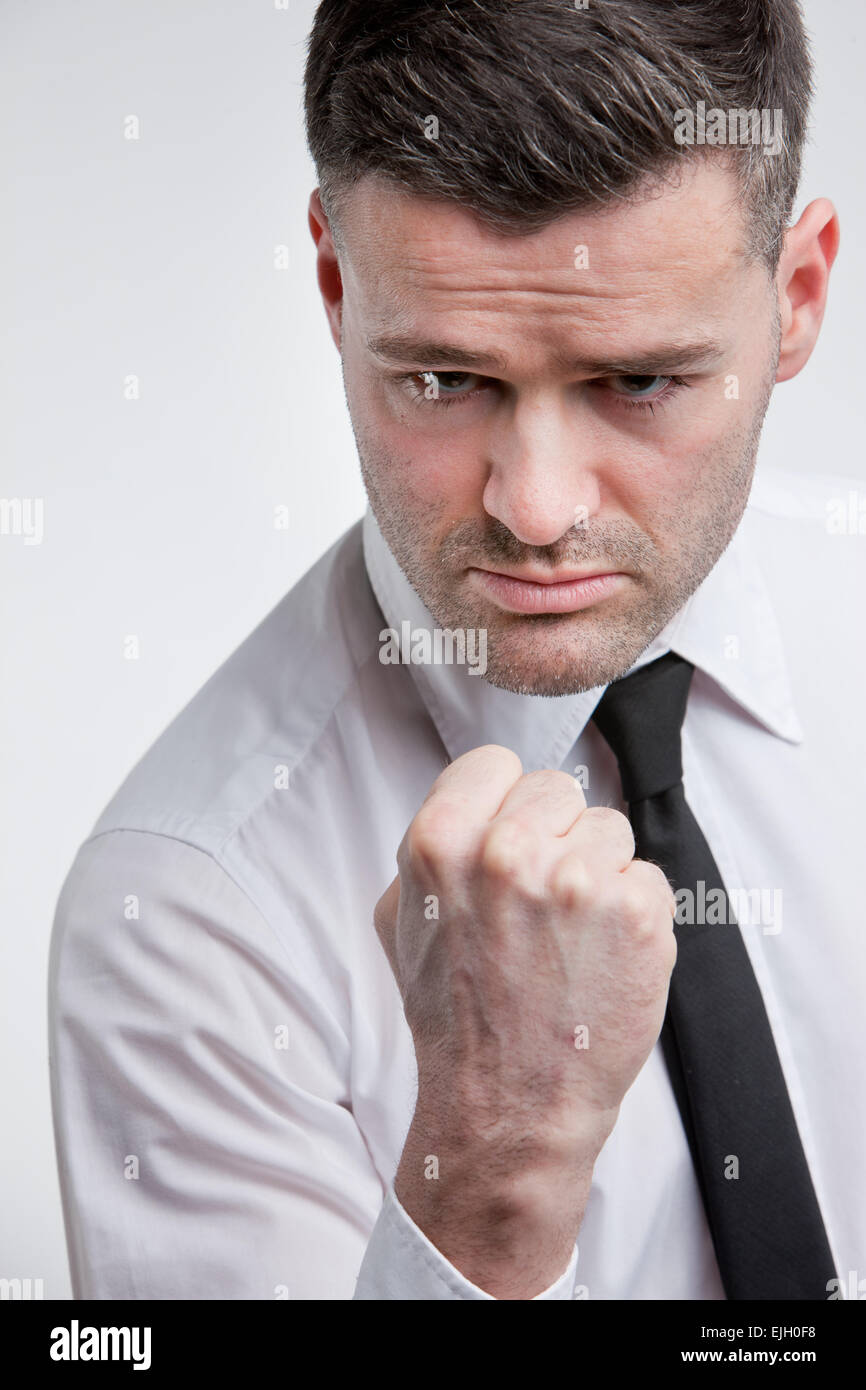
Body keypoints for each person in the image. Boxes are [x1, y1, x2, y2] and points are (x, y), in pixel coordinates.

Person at [49, 0, 864, 1301]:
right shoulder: (188, 915)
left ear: (798, 295)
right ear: (332, 286)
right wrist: (483, 1181)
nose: (534, 511)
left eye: (636, 381)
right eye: (443, 379)